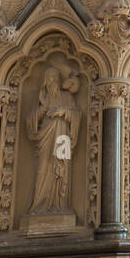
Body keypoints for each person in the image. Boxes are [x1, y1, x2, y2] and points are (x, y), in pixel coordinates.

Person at [27, 67, 81, 213]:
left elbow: (76, 116)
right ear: (45, 81)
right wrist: (43, 108)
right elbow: (31, 120)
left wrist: (63, 112)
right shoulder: (42, 98)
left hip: (63, 137)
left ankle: (61, 205)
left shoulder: (67, 97)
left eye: (54, 77)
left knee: (62, 168)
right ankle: (39, 205)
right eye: (49, 78)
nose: (52, 81)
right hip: (46, 136)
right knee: (43, 169)